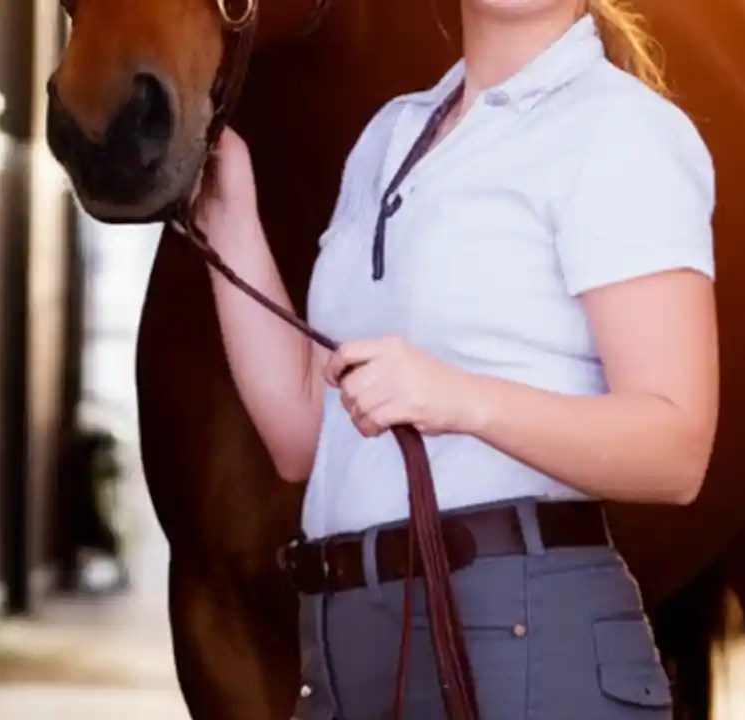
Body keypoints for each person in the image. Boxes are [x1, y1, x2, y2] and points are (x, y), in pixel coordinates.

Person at [194, 0, 718, 716]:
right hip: (349, 640)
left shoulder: (622, 131)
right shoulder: (392, 135)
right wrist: (229, 213)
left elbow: (675, 450)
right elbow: (304, 435)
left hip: (522, 636)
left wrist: (456, 398)